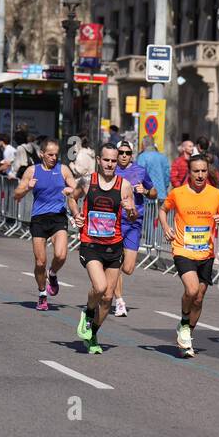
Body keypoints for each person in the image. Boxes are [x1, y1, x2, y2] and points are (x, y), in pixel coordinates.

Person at [158, 152, 219, 357]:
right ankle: (183, 322)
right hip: (182, 249)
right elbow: (163, 210)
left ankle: (187, 333)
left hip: (206, 253)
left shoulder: (216, 194)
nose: (200, 175)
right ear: (189, 172)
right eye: (196, 171)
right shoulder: (178, 193)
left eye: (203, 171)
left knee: (199, 298)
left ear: (208, 171)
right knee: (191, 290)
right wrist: (165, 227)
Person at [68, 143, 137, 352]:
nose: (110, 164)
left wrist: (130, 209)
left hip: (114, 246)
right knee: (100, 288)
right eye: (106, 160)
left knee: (107, 299)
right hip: (91, 243)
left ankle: (93, 334)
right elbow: (72, 198)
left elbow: (132, 215)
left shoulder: (124, 185)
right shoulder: (88, 181)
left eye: (113, 161)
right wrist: (77, 214)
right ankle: (88, 313)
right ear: (99, 160)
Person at [13, 136, 79, 311]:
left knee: (61, 255)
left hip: (58, 217)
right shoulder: (32, 171)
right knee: (40, 262)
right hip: (39, 219)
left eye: (56, 154)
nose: (54, 158)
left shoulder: (63, 169)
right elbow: (16, 195)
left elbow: (77, 191)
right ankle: (42, 294)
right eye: (50, 154)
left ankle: (53, 273)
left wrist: (71, 190)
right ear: (42, 154)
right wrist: (28, 187)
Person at [111, 140, 157, 315]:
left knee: (128, 268)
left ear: (132, 154)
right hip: (114, 222)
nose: (123, 156)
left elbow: (154, 192)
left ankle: (110, 277)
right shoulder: (111, 169)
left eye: (127, 153)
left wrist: (144, 192)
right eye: (121, 152)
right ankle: (119, 301)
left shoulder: (140, 171)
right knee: (115, 262)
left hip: (134, 223)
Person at [137, 135, 171, 201]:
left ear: (143, 144)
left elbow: (139, 177)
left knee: (149, 211)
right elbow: (167, 176)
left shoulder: (142, 157)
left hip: (148, 195)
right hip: (162, 194)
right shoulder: (163, 157)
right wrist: (164, 187)